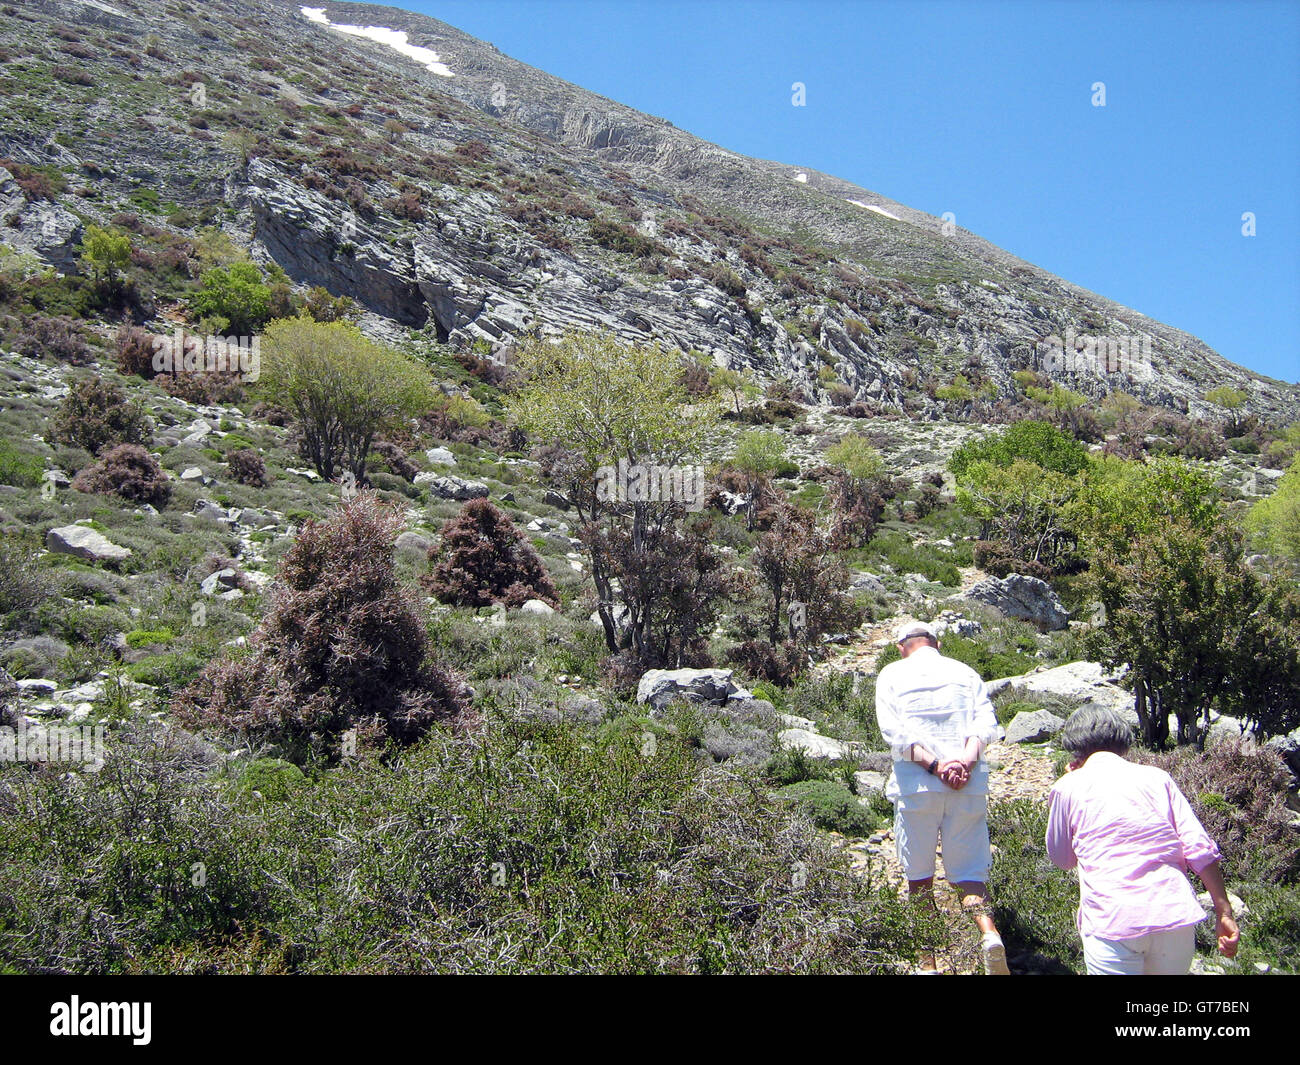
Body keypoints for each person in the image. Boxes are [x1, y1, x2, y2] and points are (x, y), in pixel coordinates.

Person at [1046, 704, 1241, 975]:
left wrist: (1069, 782)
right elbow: (1199, 848)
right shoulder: (1158, 778)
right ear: (1122, 740)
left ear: (1074, 745)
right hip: (1174, 915)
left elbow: (1062, 859)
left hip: (1112, 919)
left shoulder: (1067, 787)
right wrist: (1224, 912)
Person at [875, 620, 1008, 975]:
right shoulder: (965, 672)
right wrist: (963, 763)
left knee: (919, 881)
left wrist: (936, 766)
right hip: (968, 786)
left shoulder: (892, 674)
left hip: (917, 789)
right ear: (936, 642)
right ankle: (990, 935)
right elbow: (985, 725)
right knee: (969, 876)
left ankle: (927, 964)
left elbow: (895, 734)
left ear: (902, 646)